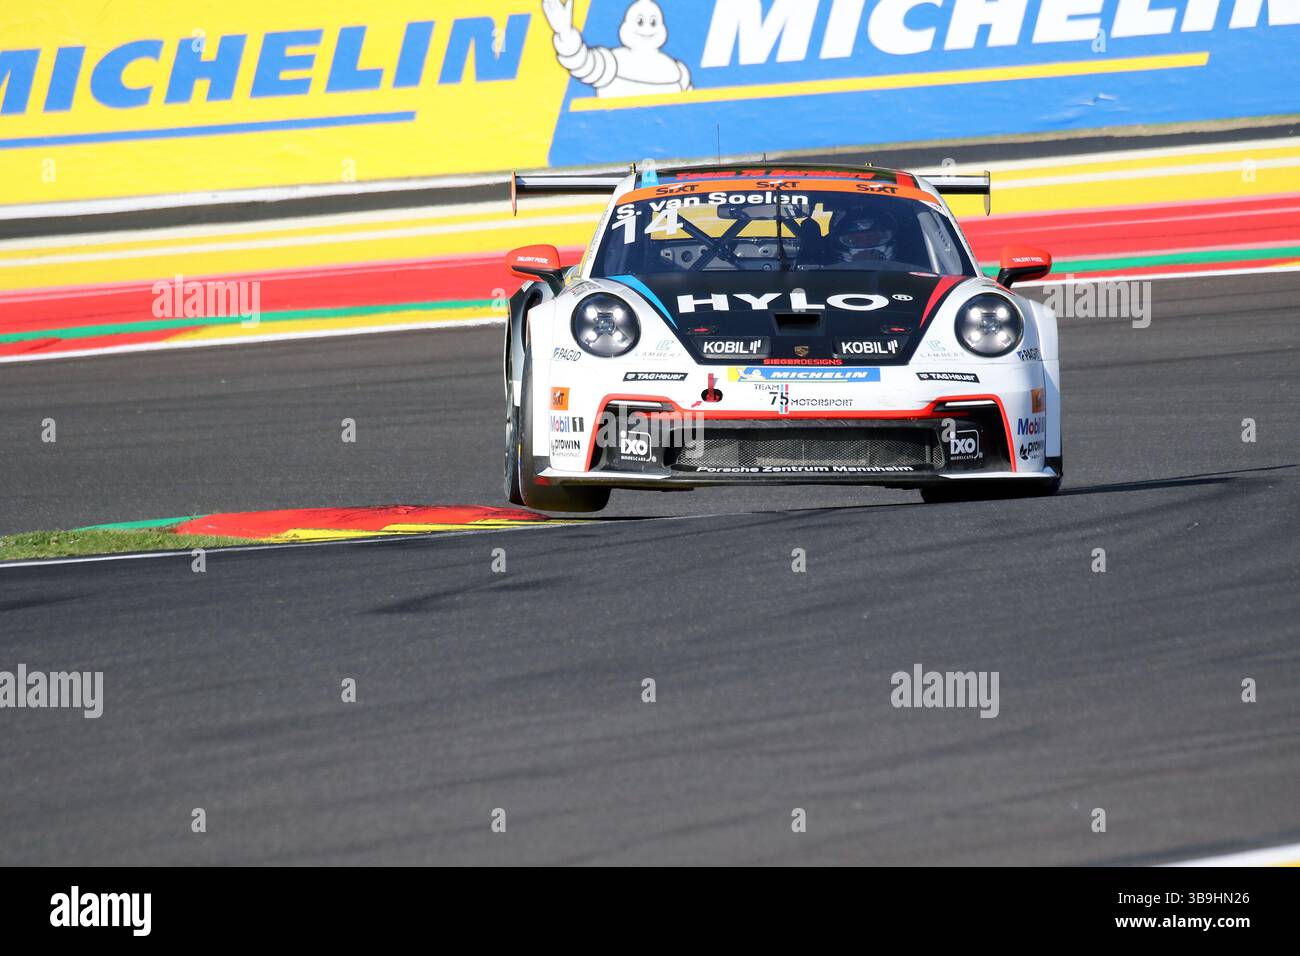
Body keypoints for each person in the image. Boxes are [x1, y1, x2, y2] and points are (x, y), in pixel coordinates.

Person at [543, 0, 692, 98]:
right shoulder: (611, 63)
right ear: (626, 26)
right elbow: (581, 63)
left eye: (653, 22)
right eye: (640, 21)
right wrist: (565, 33)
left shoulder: (678, 72)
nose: (646, 28)